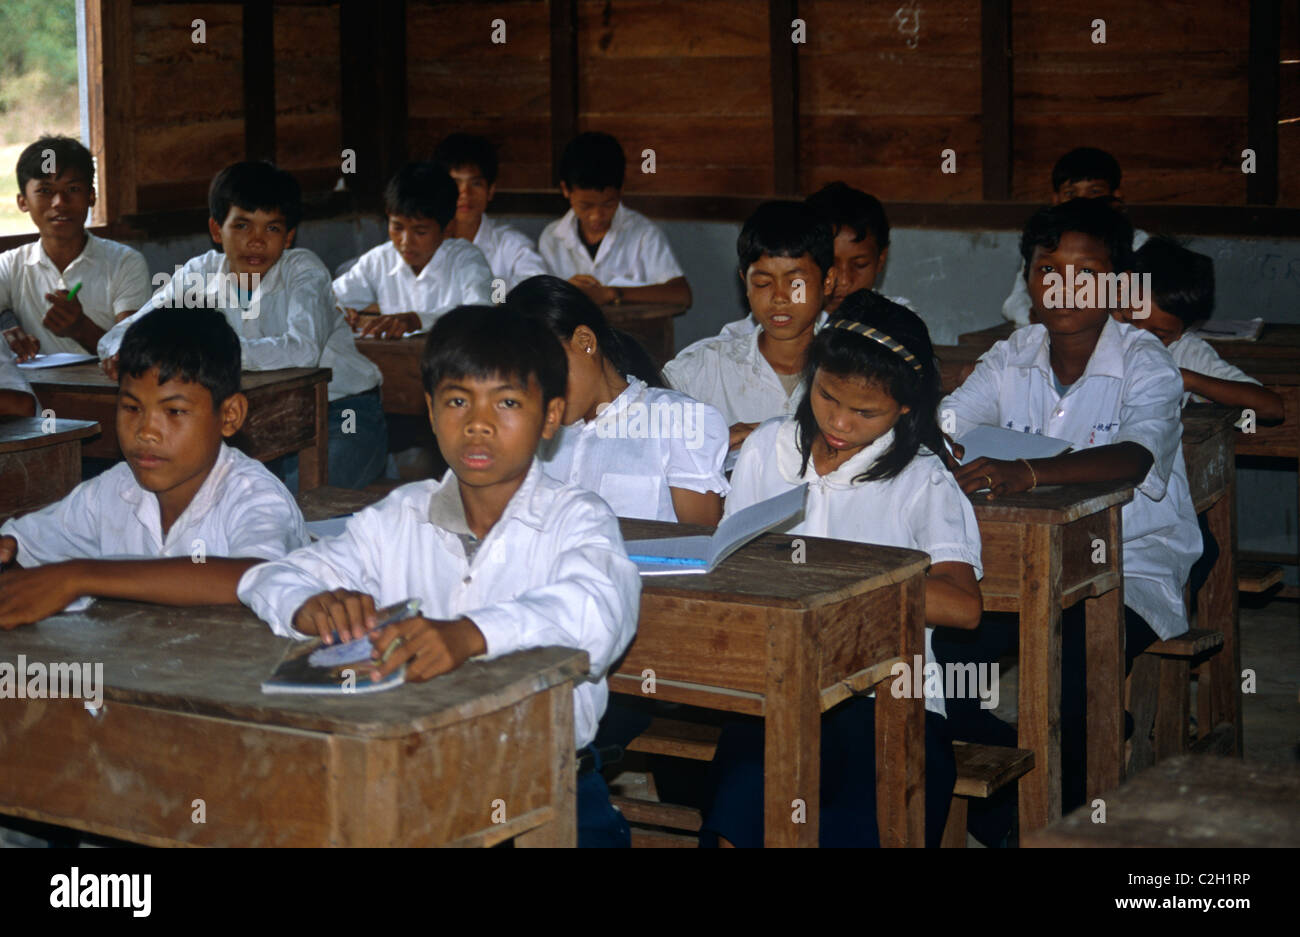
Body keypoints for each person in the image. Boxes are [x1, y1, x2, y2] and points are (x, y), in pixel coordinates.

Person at [237, 304, 642, 847]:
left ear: (550, 417)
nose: (478, 423)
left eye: (507, 402)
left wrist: (472, 634)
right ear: (430, 411)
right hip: (411, 778)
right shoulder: (399, 517)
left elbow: (598, 612)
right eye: (457, 401)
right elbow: (268, 577)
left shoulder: (578, 519)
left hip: (548, 781)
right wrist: (306, 603)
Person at [940, 198, 1200, 811]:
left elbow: (1134, 457)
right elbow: (946, 428)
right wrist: (950, 452)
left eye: (1087, 273)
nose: (1064, 288)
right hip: (1012, 566)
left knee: (1072, 672)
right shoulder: (1010, 356)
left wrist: (1028, 471)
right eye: (1046, 270)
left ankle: (1076, 811)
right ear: (1028, 279)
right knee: (937, 669)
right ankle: (1019, 809)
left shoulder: (1146, 360)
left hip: (1127, 565)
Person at [700, 291, 982, 847]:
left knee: (860, 818)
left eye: (865, 412)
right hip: (780, 689)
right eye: (827, 396)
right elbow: (731, 562)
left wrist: (834, 578)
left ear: (905, 408)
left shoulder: (920, 477)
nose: (839, 421)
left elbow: (964, 605)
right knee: (742, 801)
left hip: (889, 699)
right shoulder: (766, 449)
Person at [0, 306, 307, 628]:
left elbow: (256, 575)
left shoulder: (255, 496)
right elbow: (24, 546)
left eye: (174, 412)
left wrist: (81, 576)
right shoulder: (113, 491)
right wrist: (11, 555)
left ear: (229, 415)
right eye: (131, 407)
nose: (146, 432)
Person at [98, 161, 387, 491]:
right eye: (242, 226)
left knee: (290, 496)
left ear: (289, 237)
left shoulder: (304, 271)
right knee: (206, 491)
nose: (257, 241)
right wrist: (125, 353)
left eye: (272, 228)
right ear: (216, 230)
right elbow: (124, 331)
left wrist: (211, 354)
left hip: (342, 414)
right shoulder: (199, 274)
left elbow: (303, 350)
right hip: (250, 421)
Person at [508, 275, 728, 526]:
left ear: (585, 342)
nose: (542, 393)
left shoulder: (678, 421)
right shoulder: (534, 436)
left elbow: (698, 542)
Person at [663, 200, 835, 451]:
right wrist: (712, 443)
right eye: (763, 284)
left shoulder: (851, 372)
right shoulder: (701, 370)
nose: (779, 297)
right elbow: (639, 434)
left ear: (827, 281)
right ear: (745, 282)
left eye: (795, 284)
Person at [0, 135, 150, 359]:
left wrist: (81, 328)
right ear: (23, 202)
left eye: (73, 189)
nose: (59, 202)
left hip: (104, 383)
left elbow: (135, 353)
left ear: (91, 196)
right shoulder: (9, 266)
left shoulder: (125, 263)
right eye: (45, 191)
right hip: (36, 383)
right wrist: (6, 331)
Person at [333, 161, 494, 338]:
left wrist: (418, 320)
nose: (405, 242)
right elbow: (327, 297)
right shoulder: (379, 260)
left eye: (420, 232)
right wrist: (338, 310)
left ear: (447, 228)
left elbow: (481, 312)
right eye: (397, 227)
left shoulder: (466, 259)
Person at [539, 132, 691, 309]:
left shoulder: (643, 234)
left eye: (608, 204)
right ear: (565, 190)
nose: (596, 215)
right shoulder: (552, 238)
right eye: (586, 205)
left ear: (621, 189)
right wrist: (564, 291)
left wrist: (612, 293)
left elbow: (682, 295)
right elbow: (537, 301)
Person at [1001, 147, 1149, 326]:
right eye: (1071, 193)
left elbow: (1143, 306)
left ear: (1116, 196)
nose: (1083, 200)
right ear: (1056, 200)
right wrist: (1036, 317)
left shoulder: (1138, 243)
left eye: (1094, 192)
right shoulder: (1045, 242)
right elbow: (1014, 303)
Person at [432, 132, 549, 289]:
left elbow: (538, 287)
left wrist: (487, 291)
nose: (465, 193)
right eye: (455, 183)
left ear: (491, 190)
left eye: (476, 184)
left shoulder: (512, 245)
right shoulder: (422, 239)